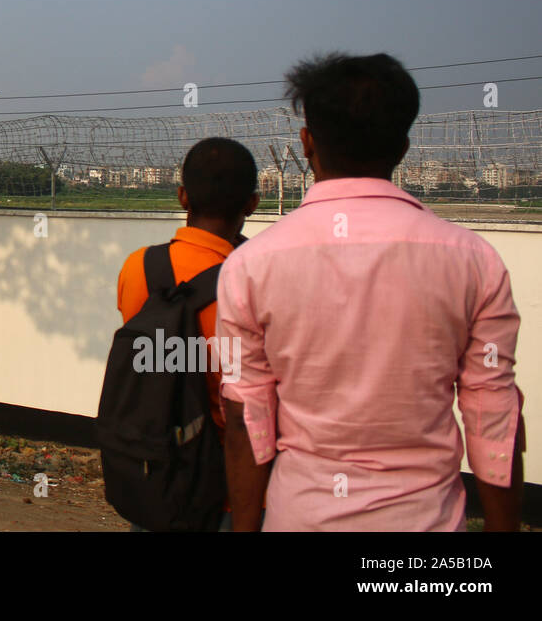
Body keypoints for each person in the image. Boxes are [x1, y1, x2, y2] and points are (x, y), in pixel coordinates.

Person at [218, 52, 525, 531]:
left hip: (302, 517)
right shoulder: (473, 260)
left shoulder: (250, 266)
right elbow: (494, 415)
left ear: (306, 143)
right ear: (403, 148)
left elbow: (244, 415)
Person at [113, 137, 259, 530]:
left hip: (157, 473)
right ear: (252, 204)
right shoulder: (253, 281)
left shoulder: (139, 267)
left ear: (182, 196)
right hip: (225, 488)